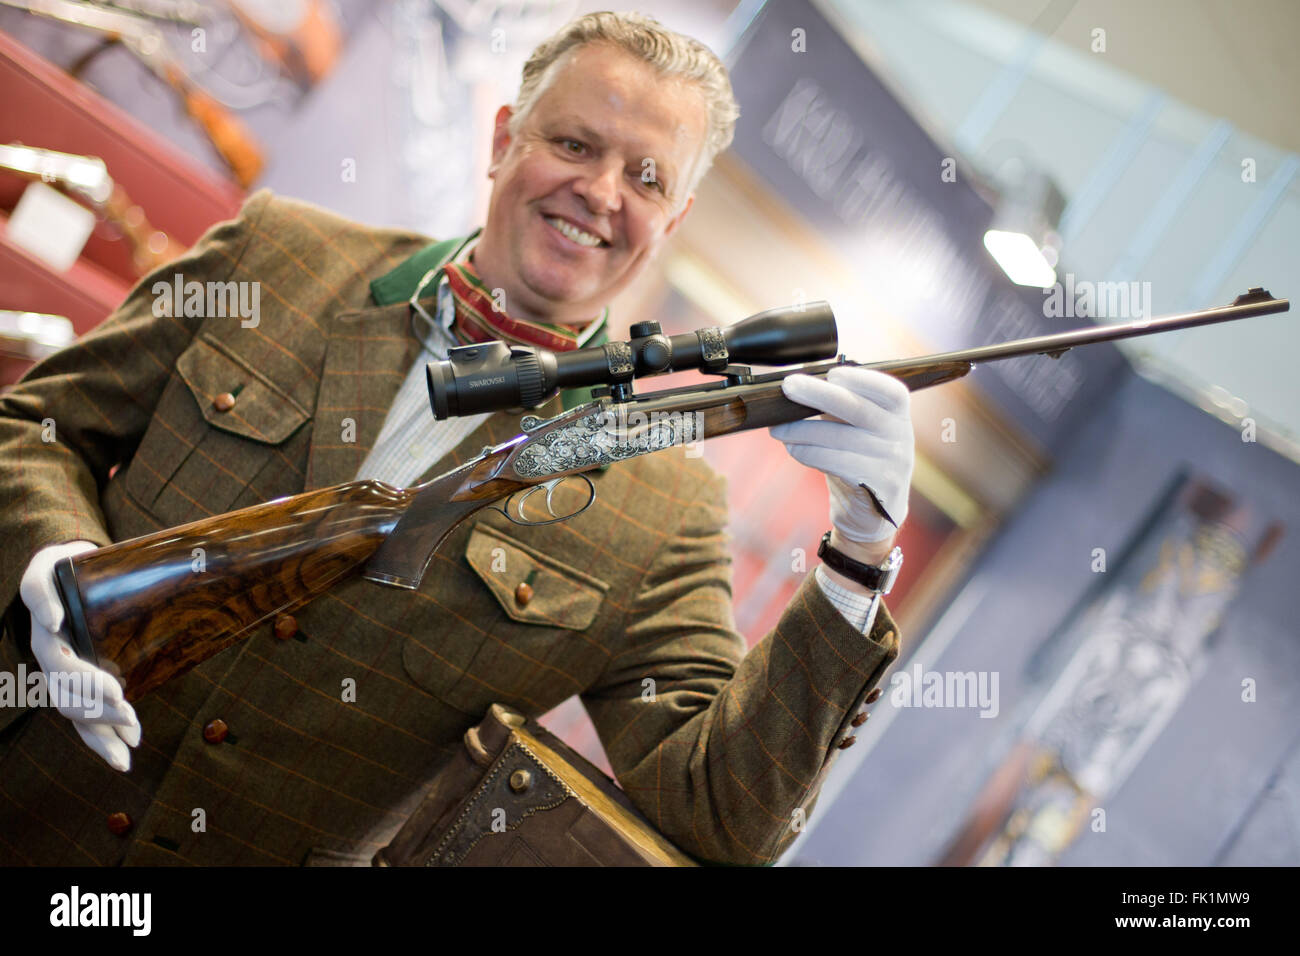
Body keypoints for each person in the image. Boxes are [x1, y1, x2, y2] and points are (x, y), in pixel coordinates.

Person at [0, 11, 913, 865]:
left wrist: (856, 562)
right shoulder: (277, 254)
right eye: (573, 143)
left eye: (647, 178)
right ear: (501, 138)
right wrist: (55, 558)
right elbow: (36, 429)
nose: (599, 193)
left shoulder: (667, 510)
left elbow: (717, 813)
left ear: (672, 220)